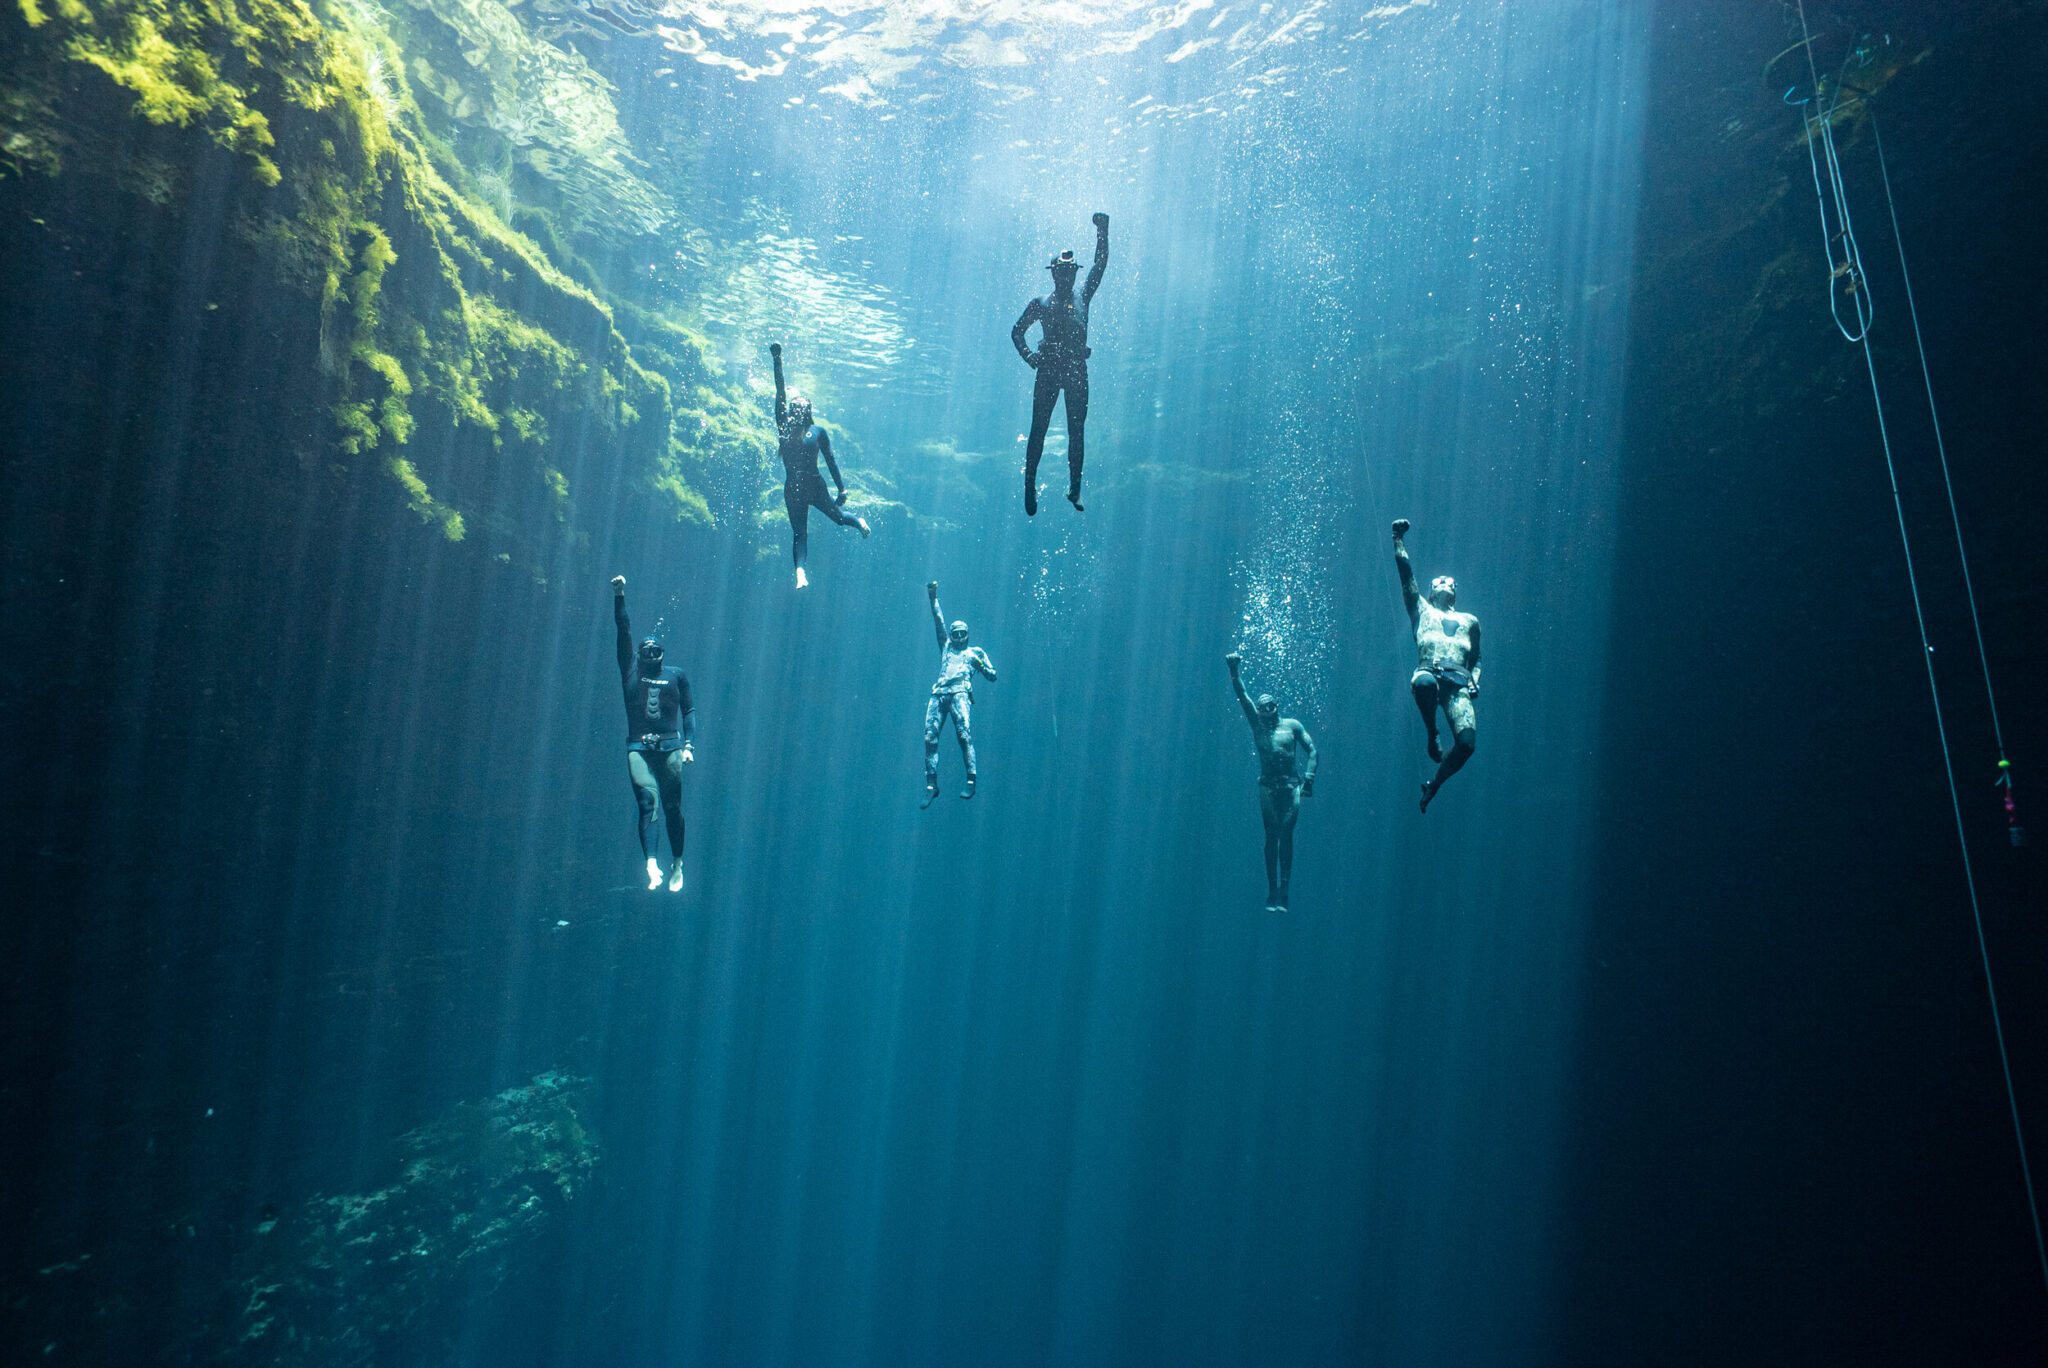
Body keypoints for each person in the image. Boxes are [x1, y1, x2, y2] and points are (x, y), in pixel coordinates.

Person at [1011, 211, 1109, 516]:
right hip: (1051, 370)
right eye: (1062, 273)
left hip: (1076, 369)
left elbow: (1100, 264)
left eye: (1070, 273)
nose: (1067, 277)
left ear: (1074, 274)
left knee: (1076, 429)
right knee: (1039, 428)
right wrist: (1030, 357)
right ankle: (1030, 485)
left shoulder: (1083, 296)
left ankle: (1075, 487)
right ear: (1054, 274)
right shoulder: (1042, 303)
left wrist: (1102, 232)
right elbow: (1017, 332)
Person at [1392, 519, 1481, 813]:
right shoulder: (1421, 609)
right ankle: (1432, 732)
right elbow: (1406, 574)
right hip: (1429, 671)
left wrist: (1475, 680)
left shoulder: (1471, 621)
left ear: (1455, 591)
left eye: (1449, 582)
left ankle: (1434, 784)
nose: (1444, 583)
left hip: (1458, 684)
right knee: (1424, 683)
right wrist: (1398, 538)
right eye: (1438, 582)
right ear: (1431, 591)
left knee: (1467, 744)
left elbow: (1477, 657)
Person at [612, 575, 694, 891]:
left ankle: (677, 863)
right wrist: (619, 595)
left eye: (654, 651)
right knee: (648, 803)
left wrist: (689, 745)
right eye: (644, 652)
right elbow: (623, 632)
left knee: (672, 808)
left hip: (671, 749)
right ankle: (651, 864)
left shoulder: (677, 675)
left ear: (661, 654)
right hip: (639, 749)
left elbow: (689, 711)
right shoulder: (630, 672)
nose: (648, 655)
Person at [770, 342, 870, 588]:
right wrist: (777, 360)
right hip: (795, 487)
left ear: (808, 412)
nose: (795, 410)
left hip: (812, 485)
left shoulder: (818, 432)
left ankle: (858, 522)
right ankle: (800, 572)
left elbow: (831, 460)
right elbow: (779, 390)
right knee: (799, 533)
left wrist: (842, 489)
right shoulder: (784, 426)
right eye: (793, 407)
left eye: (799, 408)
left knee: (838, 518)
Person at [1226, 652, 1317, 912]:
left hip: (1290, 786)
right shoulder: (1257, 725)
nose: (1266, 710)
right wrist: (1235, 672)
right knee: (1271, 837)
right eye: (1262, 707)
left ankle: (1284, 891)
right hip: (1267, 785)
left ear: (1277, 706)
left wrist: (1309, 779)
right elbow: (1243, 697)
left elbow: (1312, 750)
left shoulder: (1292, 726)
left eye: (1270, 706)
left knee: (1285, 836)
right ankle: (1272, 890)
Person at [923, 579, 996, 808]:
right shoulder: (945, 646)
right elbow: (938, 622)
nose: (957, 637)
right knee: (929, 738)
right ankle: (931, 784)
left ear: (968, 635)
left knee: (963, 735)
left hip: (960, 693)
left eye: (961, 634)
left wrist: (980, 666)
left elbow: (993, 675)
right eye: (955, 634)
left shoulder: (976, 652)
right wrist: (933, 597)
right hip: (939, 692)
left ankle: (971, 778)